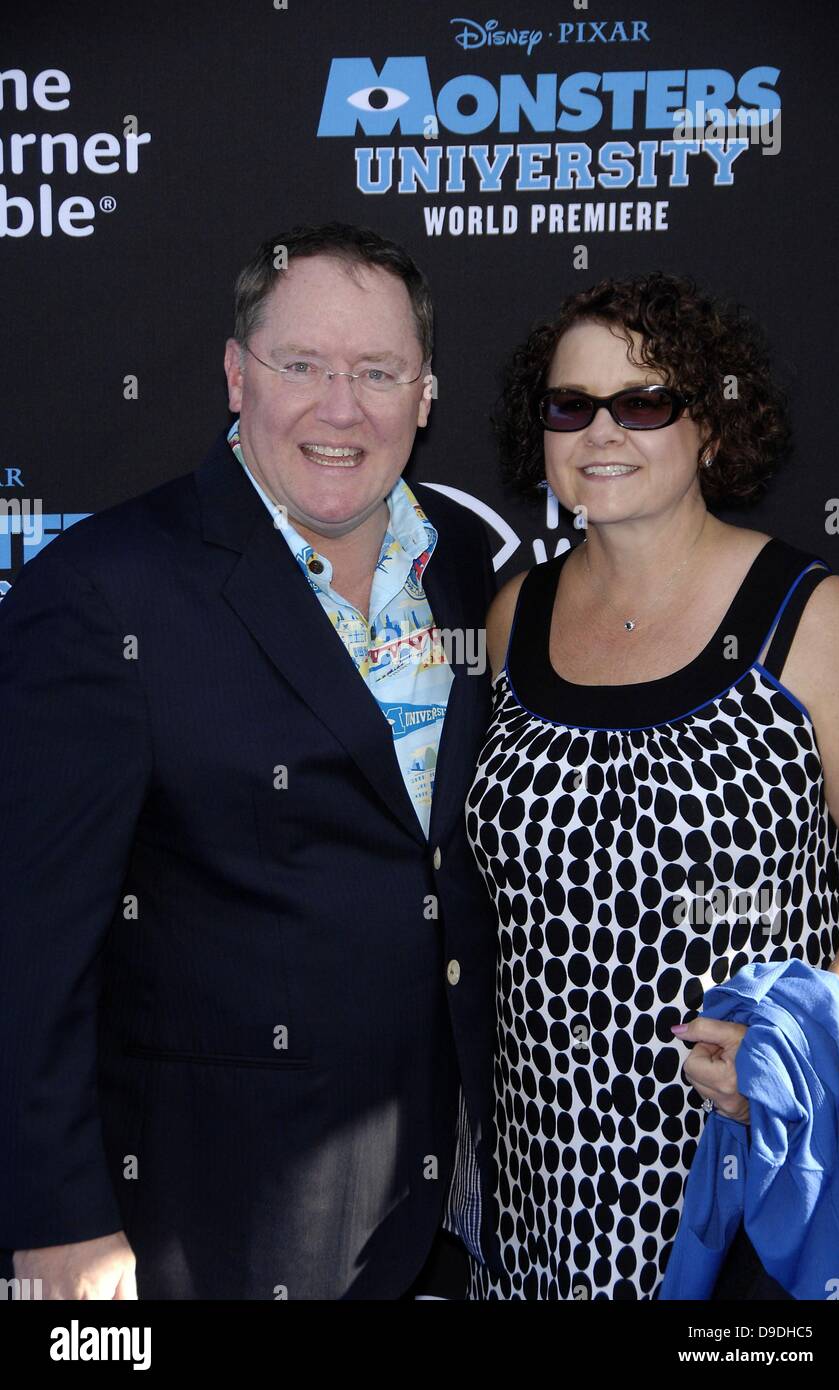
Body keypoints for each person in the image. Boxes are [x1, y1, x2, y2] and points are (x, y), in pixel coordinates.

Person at [0, 222, 499, 1300]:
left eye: (376, 371)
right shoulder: (103, 593)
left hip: (444, 1217)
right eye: (301, 365)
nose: (339, 406)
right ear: (236, 375)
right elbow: (26, 950)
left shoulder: (468, 570)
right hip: (206, 1224)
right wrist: (60, 1227)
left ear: (424, 394)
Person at [461, 271, 839, 1299]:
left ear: (713, 430)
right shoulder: (517, 615)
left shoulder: (807, 618)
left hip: (744, 1181)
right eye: (569, 406)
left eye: (641, 402)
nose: (601, 432)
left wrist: (795, 1035)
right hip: (537, 1189)